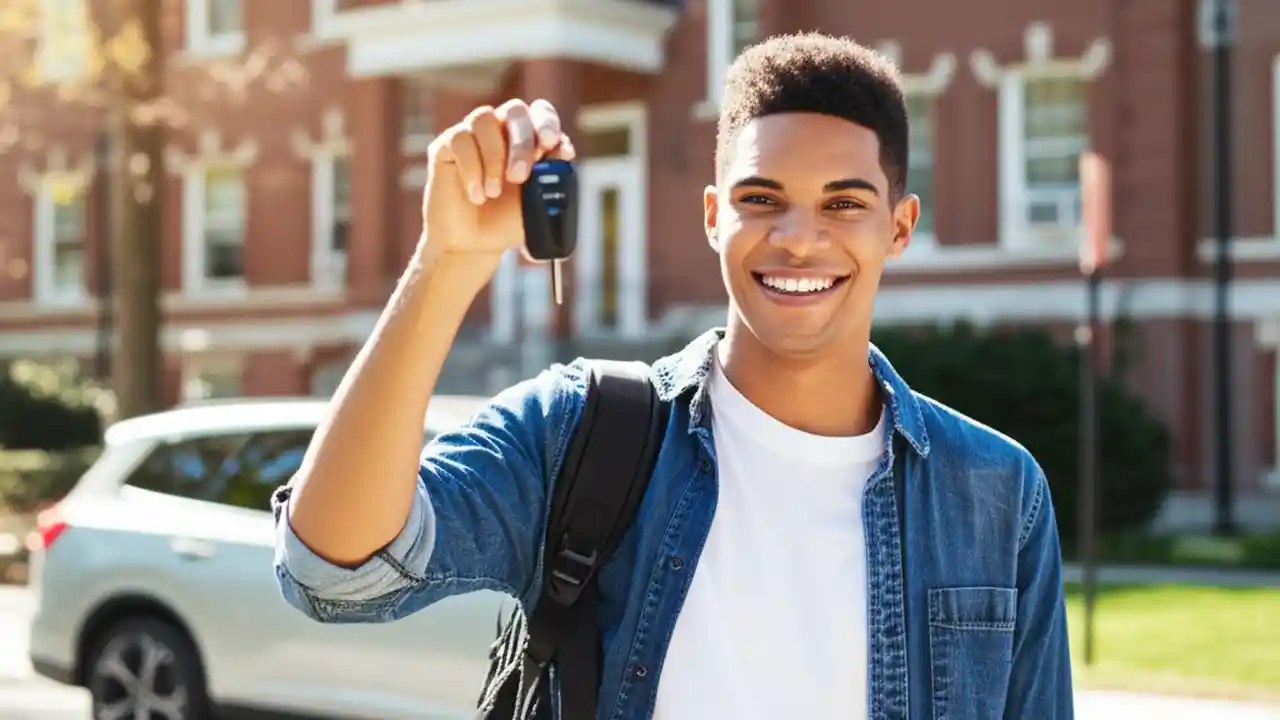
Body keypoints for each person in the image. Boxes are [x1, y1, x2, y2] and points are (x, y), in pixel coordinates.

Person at [271, 32, 1073, 719]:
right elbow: (334, 573)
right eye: (762, 199)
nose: (798, 239)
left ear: (898, 227)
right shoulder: (582, 433)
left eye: (842, 204)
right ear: (712, 215)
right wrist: (447, 262)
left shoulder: (996, 493)